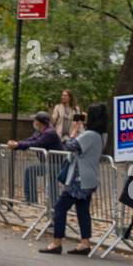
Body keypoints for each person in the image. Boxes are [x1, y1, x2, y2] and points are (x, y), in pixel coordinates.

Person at [40, 104, 107, 255]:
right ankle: (84, 243)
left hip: (79, 179)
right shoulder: (102, 135)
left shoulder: (90, 135)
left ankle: (56, 242)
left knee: (60, 207)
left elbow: (69, 146)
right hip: (90, 178)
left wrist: (74, 130)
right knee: (83, 211)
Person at [8, 111, 62, 207]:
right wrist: (17, 143)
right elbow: (30, 140)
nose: (34, 122)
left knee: (31, 171)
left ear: (39, 122)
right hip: (49, 163)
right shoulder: (39, 132)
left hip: (56, 164)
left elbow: (37, 143)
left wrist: (18, 145)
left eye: (35, 120)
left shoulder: (49, 133)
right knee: (52, 185)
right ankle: (54, 206)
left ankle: (32, 199)